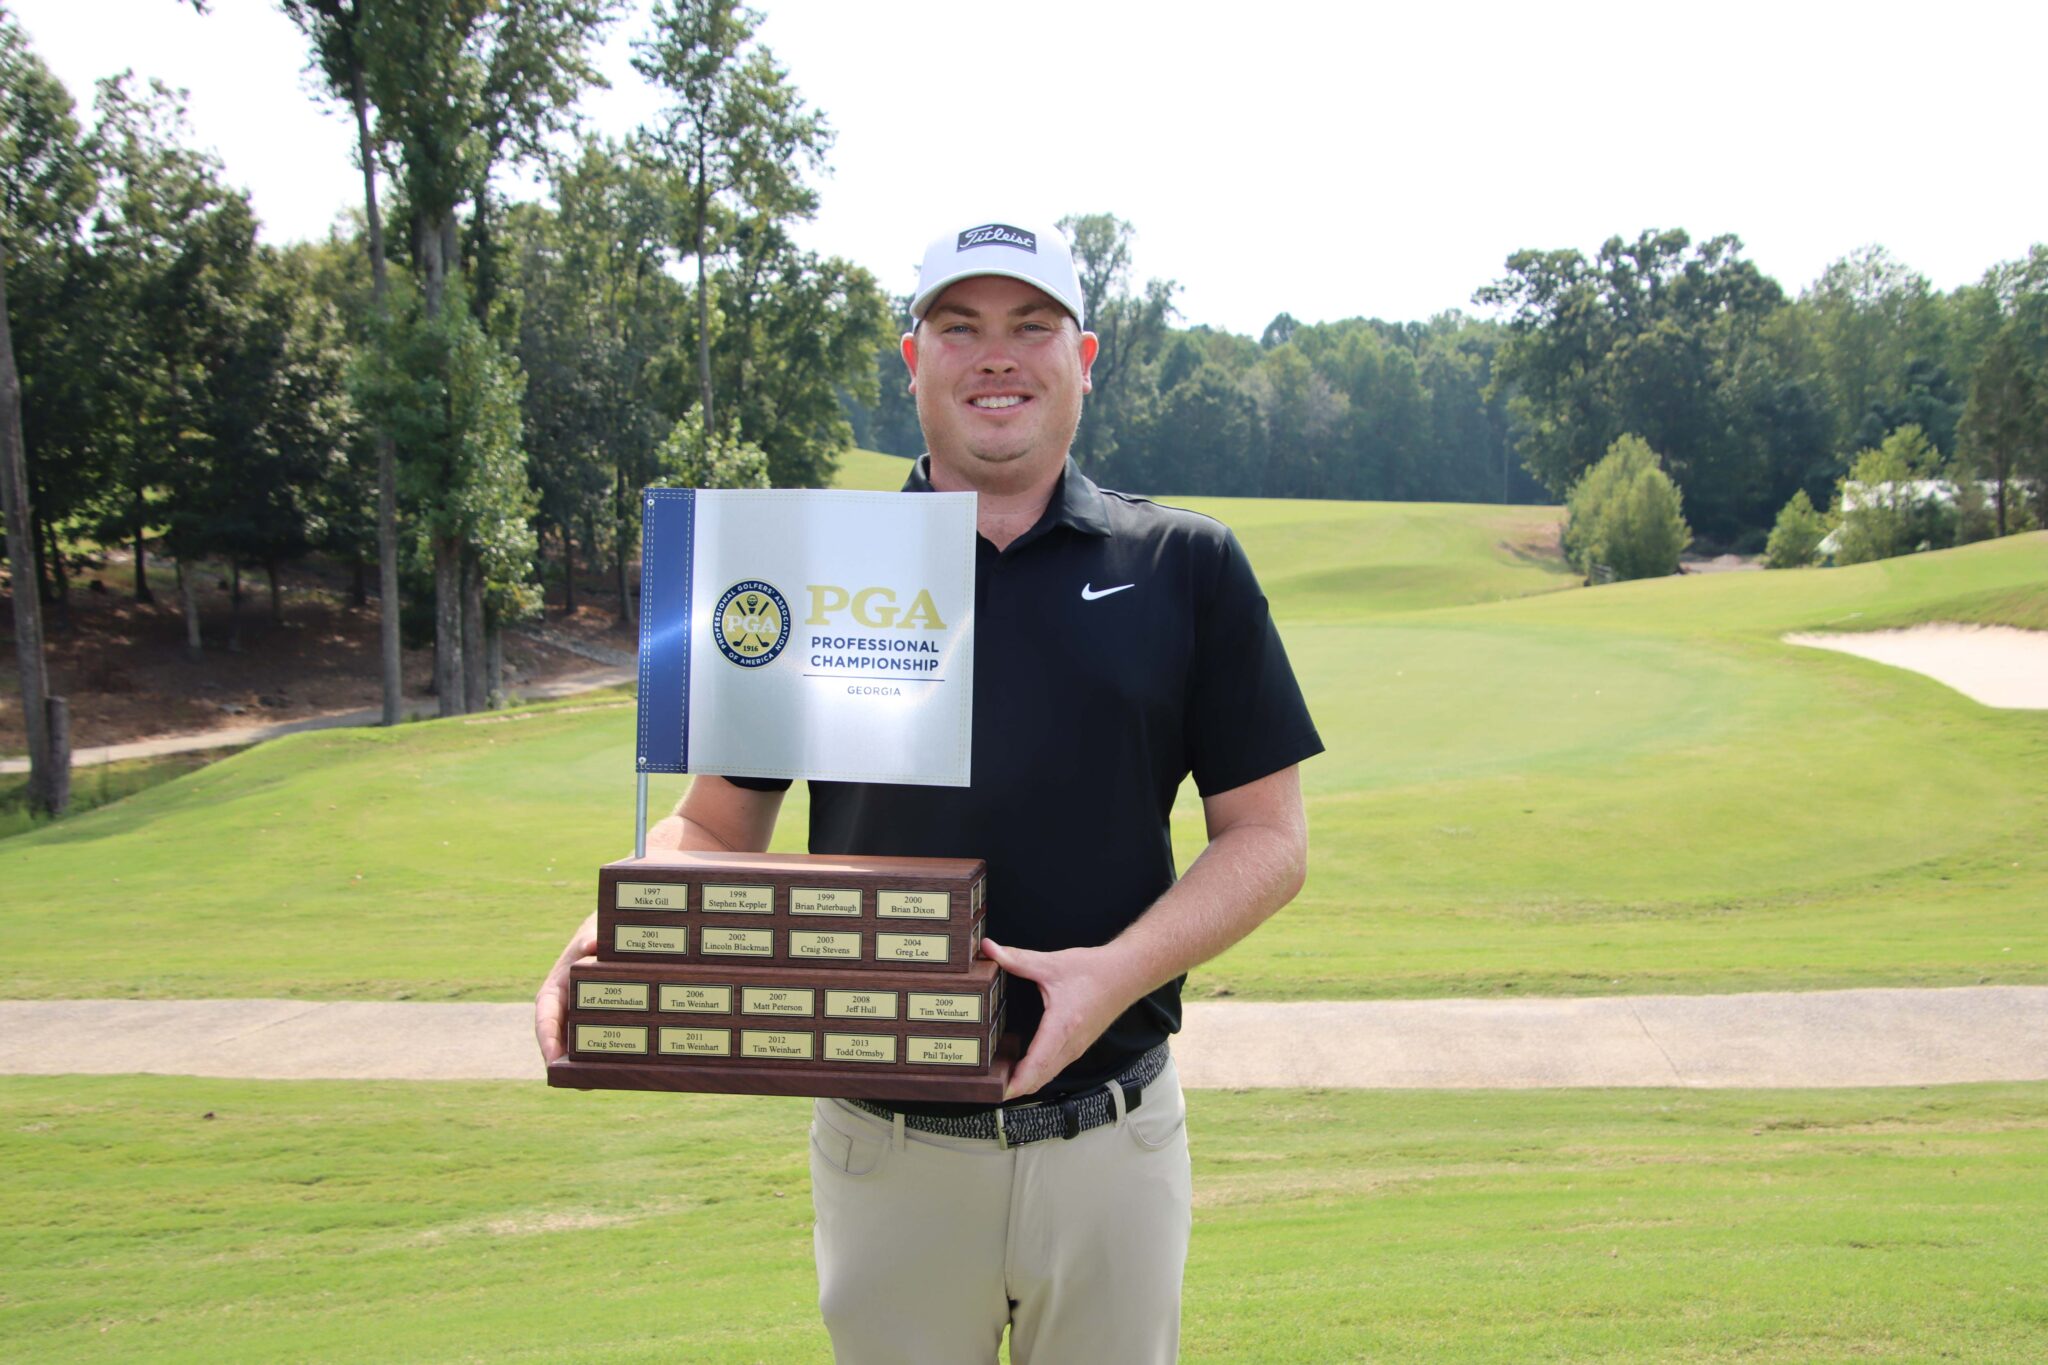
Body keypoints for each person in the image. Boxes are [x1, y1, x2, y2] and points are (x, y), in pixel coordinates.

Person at [535, 218, 1321, 1364]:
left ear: (1082, 356)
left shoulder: (1182, 565)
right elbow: (713, 823)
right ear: (914, 360)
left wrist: (1111, 977)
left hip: (1112, 1142)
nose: (994, 356)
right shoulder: (817, 561)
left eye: (1029, 326)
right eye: (960, 328)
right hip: (884, 1149)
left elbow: (1268, 840)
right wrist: (623, 919)